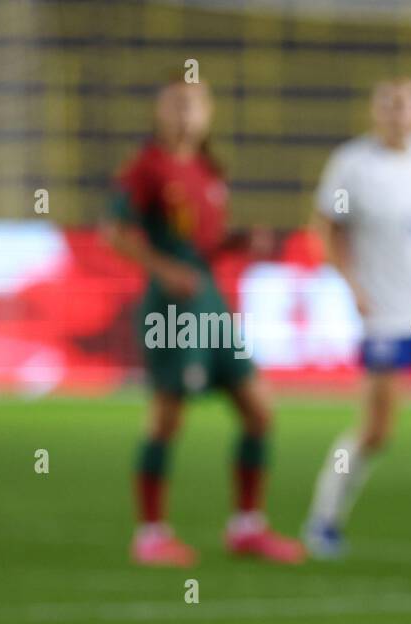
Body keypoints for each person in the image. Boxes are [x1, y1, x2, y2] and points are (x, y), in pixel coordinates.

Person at [104, 78, 304, 566]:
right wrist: (164, 268)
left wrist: (236, 243)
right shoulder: (146, 167)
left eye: (192, 105)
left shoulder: (207, 169)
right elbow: (113, 232)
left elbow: (203, 249)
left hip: (209, 303)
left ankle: (246, 527)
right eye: (174, 104)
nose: (183, 114)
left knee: (259, 410)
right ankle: (150, 535)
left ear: (208, 113)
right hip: (172, 309)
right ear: (159, 111)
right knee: (168, 417)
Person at [304, 79, 411, 559]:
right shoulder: (352, 164)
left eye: (407, 105)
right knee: (376, 429)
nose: (398, 115)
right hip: (382, 314)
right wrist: (350, 284)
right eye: (389, 105)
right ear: (375, 112)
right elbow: (326, 227)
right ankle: (324, 520)